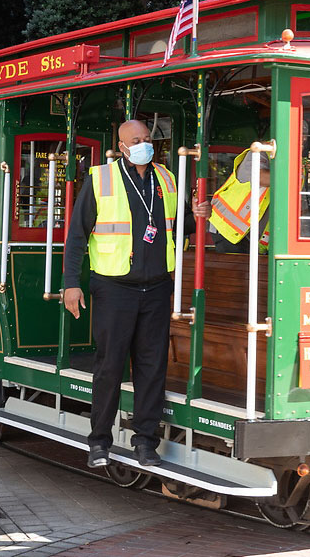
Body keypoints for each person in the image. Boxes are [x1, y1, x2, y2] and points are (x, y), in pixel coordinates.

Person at [63, 119, 211, 468]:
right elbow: (76, 235)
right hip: (115, 287)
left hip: (157, 286)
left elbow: (171, 224)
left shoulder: (167, 178)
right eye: (136, 140)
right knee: (110, 367)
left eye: (148, 138)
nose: (144, 144)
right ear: (123, 145)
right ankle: (99, 442)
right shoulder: (100, 179)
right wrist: (71, 283)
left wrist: (196, 215)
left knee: (151, 368)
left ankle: (145, 442)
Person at [208, 148, 270, 254]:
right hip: (228, 228)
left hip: (252, 236)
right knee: (239, 268)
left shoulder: (295, 163)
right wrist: (293, 175)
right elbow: (259, 177)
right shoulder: (260, 151)